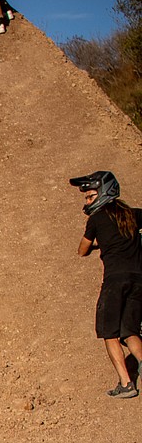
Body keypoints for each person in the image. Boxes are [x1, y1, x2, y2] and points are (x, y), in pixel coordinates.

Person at [71, 171, 142, 399]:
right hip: (138, 279)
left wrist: (99, 245)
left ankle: (126, 384)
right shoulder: (133, 215)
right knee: (129, 331)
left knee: (109, 333)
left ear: (103, 193)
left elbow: (82, 250)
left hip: (115, 281)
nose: (87, 201)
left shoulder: (97, 219)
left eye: (90, 196)